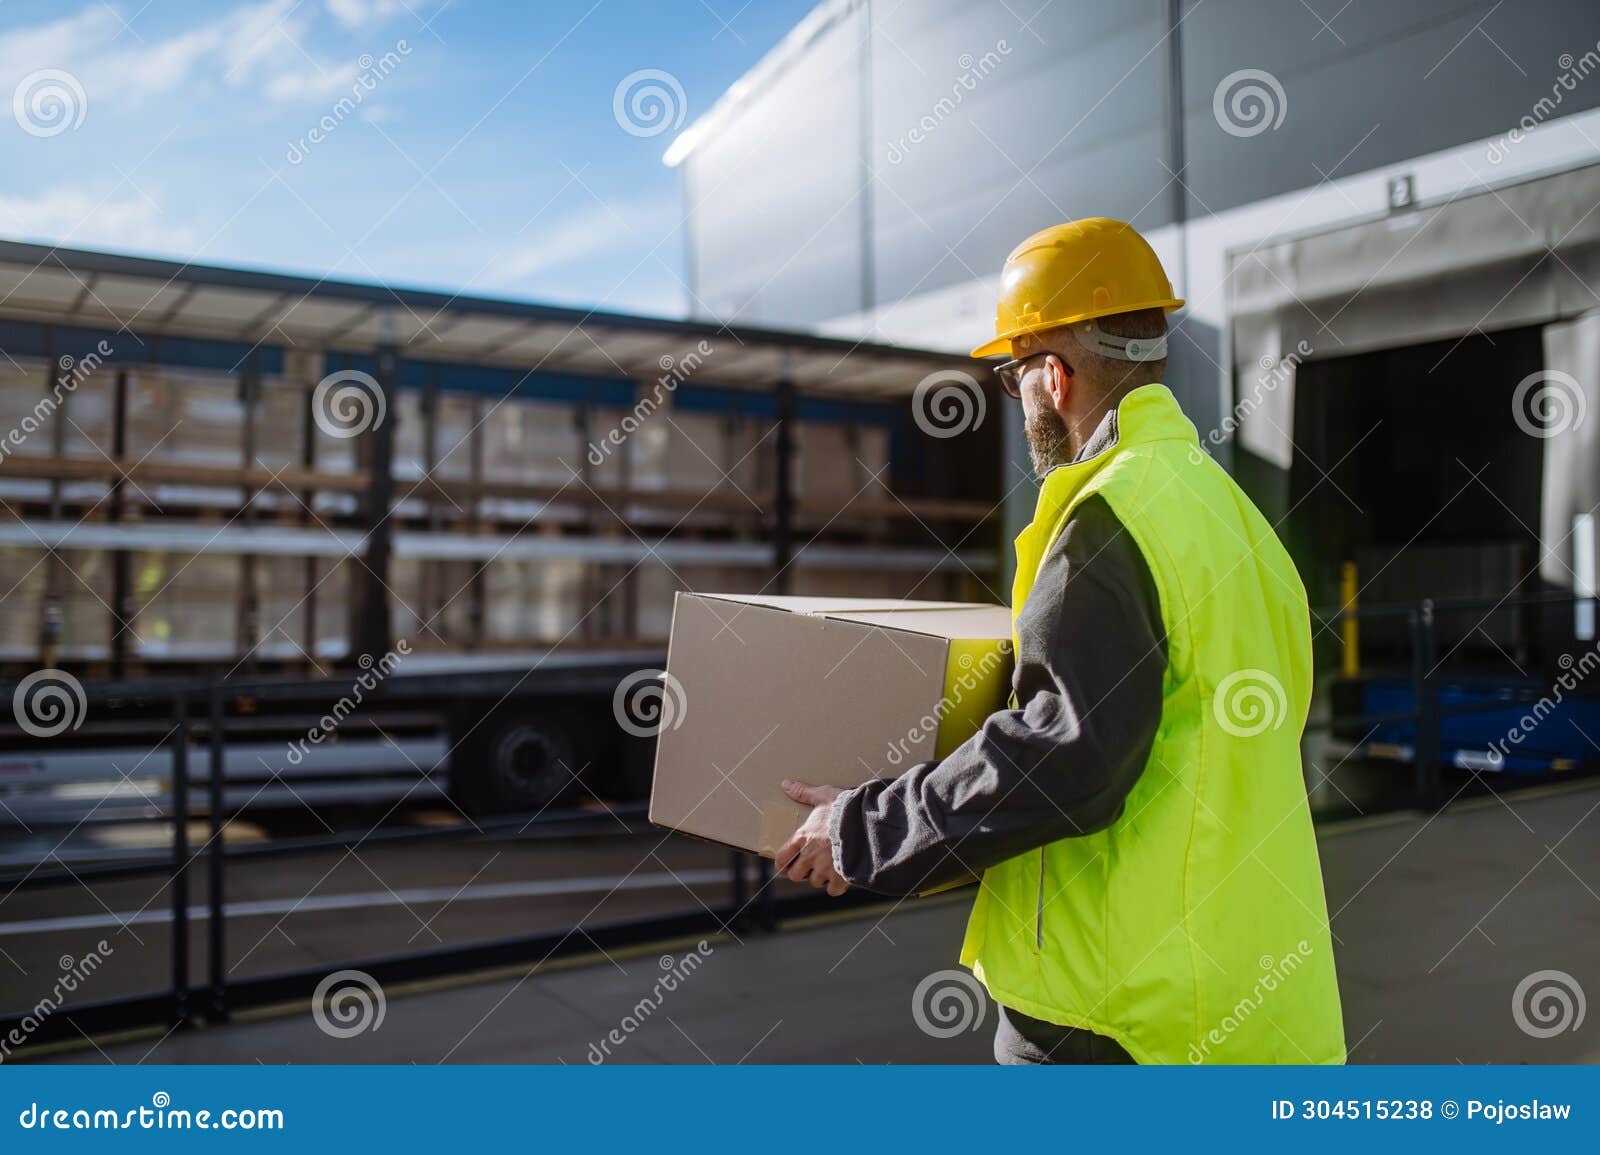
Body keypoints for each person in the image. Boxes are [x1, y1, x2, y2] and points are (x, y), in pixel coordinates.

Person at [770, 218, 1346, 1066]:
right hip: (1248, 998)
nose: (1019, 397)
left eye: (1014, 376)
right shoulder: (1235, 518)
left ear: (1055, 373)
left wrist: (862, 829)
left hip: (1117, 1016)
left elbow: (1064, 756)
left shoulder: (1108, 520)